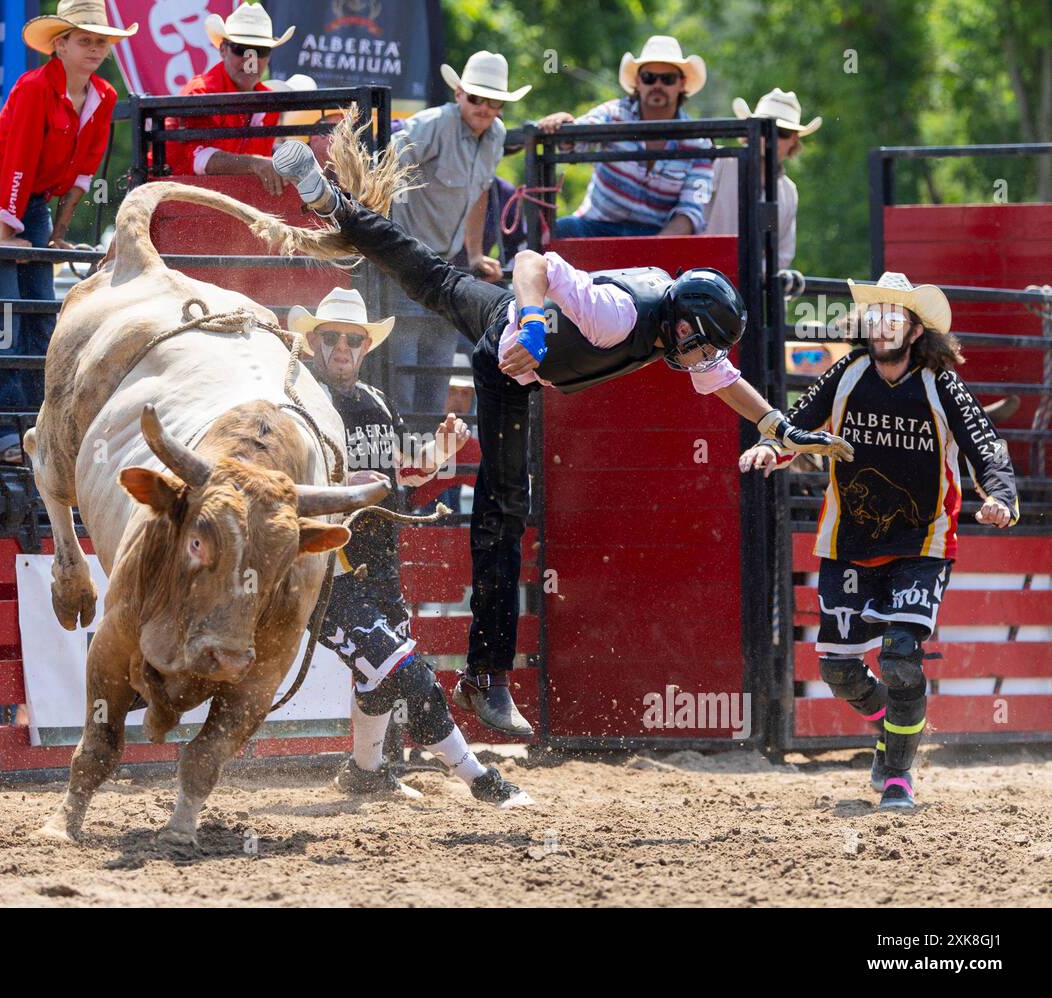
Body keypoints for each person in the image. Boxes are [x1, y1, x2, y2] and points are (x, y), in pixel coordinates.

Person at [274, 140, 854, 736]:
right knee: (503, 510)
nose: (703, 357)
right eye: (701, 343)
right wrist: (528, 321)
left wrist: (777, 425)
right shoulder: (620, 316)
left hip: (512, 325)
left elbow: (724, 379)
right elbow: (533, 263)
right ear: (681, 323)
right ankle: (486, 676)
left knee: (429, 275)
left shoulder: (678, 325)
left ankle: (333, 204)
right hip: (511, 360)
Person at [739, 273, 1020, 809]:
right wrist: (771, 450)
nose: (883, 322)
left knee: (899, 655)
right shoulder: (847, 372)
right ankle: (894, 726)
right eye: (877, 312)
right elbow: (799, 426)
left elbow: (987, 447)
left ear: (916, 330)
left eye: (896, 314)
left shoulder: (940, 383)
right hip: (848, 541)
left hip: (922, 542)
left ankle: (897, 776)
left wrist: (1001, 499)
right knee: (839, 670)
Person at [289, 288, 531, 807]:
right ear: (312, 343)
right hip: (323, 571)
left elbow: (403, 475)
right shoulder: (299, 405)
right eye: (331, 337)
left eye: (352, 339)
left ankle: (365, 773)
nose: (341, 348)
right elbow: (286, 486)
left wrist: (439, 453)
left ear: (364, 347)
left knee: (377, 672)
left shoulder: (376, 403)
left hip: (379, 566)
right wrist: (348, 482)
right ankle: (478, 779)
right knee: (404, 669)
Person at [0, 0, 134, 463]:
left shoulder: (104, 97)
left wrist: (55, 233)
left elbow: (83, 171)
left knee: (40, 314)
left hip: (28, 202)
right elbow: (15, 159)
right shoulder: (35, 87)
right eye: (85, 40)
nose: (95, 48)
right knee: (4, 315)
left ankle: (38, 426)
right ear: (60, 45)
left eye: (101, 41)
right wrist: (5, 230)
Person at [387, 51, 530, 422]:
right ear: (459, 95)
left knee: (435, 370)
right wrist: (388, 243)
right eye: (476, 97)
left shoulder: (495, 135)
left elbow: (480, 191)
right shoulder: (431, 125)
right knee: (401, 372)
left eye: (493, 100)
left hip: (446, 266)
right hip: (405, 263)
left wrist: (476, 253)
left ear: (501, 106)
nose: (484, 107)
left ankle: (425, 468)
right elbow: (382, 171)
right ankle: (400, 463)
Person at [537, 36, 712, 238]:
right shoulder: (613, 114)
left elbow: (691, 211)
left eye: (667, 79)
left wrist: (656, 248)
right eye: (649, 77)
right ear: (638, 81)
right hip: (597, 226)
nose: (657, 85)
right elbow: (578, 137)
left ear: (682, 84)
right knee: (562, 230)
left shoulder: (699, 142)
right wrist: (564, 125)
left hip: (657, 235)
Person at [162, 3, 294, 195]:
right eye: (242, 49)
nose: (251, 60)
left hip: (225, 206)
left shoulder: (269, 103)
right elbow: (198, 159)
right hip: (174, 203)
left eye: (261, 51)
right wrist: (255, 164)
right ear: (223, 49)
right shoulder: (199, 94)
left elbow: (262, 172)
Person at [703, 89, 822, 270]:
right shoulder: (718, 162)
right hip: (701, 281)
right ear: (751, 129)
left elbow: (782, 256)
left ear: (793, 140)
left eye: (781, 132)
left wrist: (750, 275)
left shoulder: (789, 193)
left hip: (749, 292)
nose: (770, 136)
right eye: (764, 128)